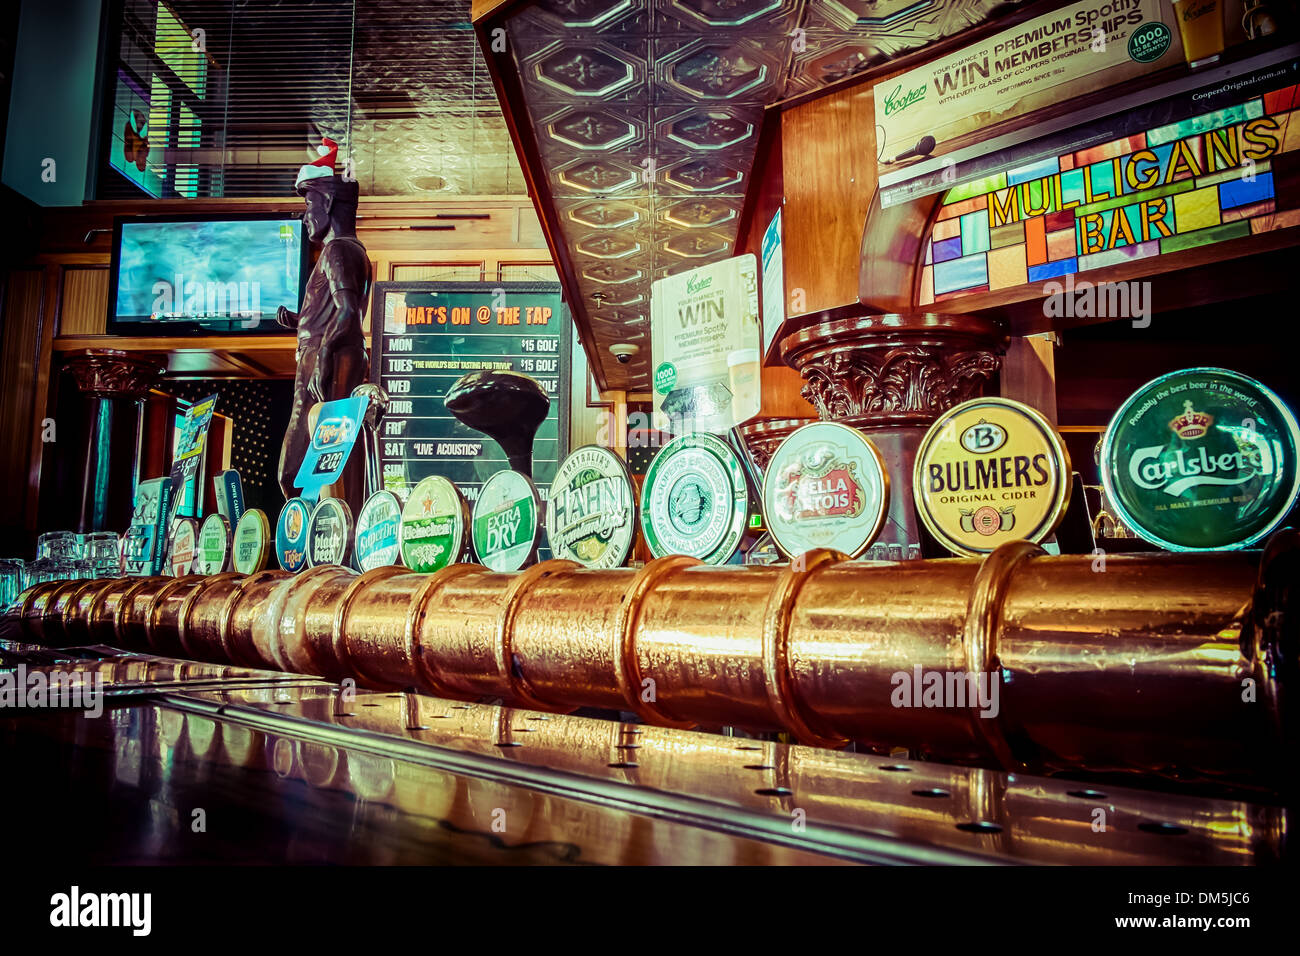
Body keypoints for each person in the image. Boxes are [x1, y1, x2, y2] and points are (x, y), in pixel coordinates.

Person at [275, 137, 372, 518]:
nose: (305, 217)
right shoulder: (352, 250)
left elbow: (349, 312)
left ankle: (315, 542)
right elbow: (340, 310)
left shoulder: (338, 250)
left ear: (328, 203)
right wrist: (300, 322)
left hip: (324, 363)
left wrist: (323, 356)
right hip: (326, 357)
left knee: (296, 471)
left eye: (309, 205)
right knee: (320, 469)